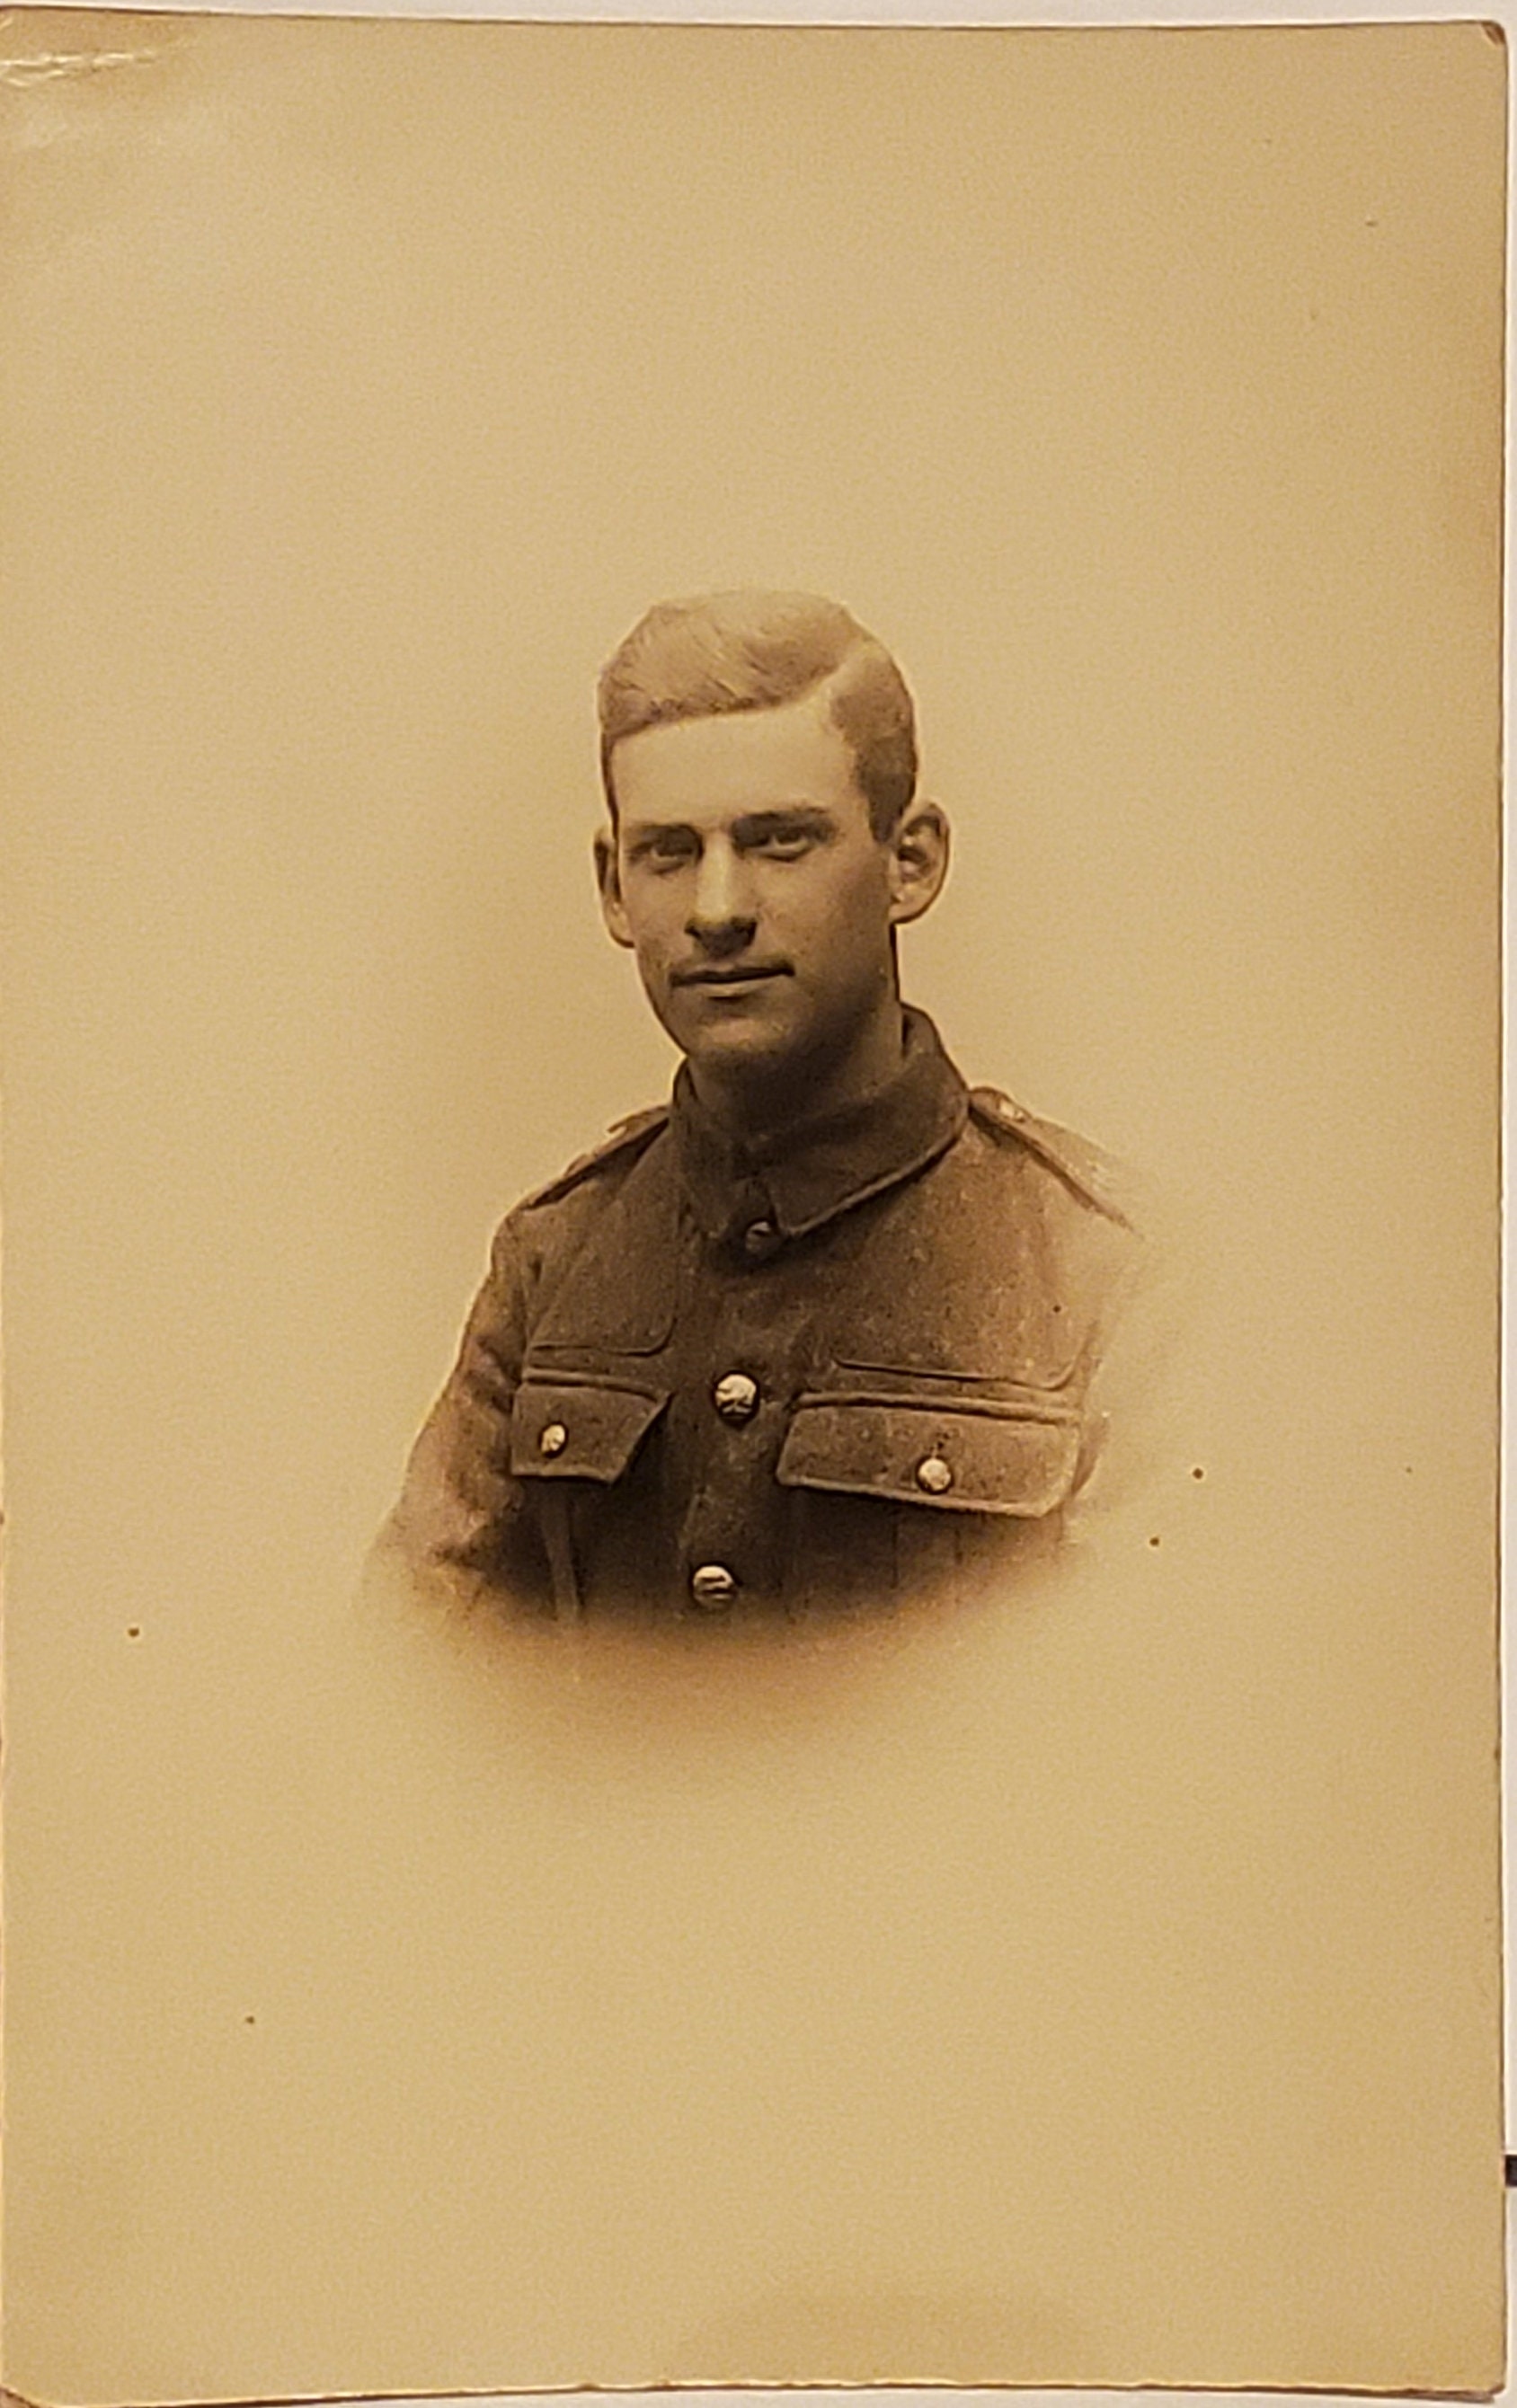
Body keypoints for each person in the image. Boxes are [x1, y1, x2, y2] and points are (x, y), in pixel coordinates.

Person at [378, 590, 1144, 1625]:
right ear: (612, 887)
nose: (717, 910)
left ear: (908, 862)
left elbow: (1141, 1718)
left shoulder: (1105, 1270)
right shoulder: (556, 1257)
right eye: (667, 851)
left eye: (780, 841)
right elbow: (404, 1682)